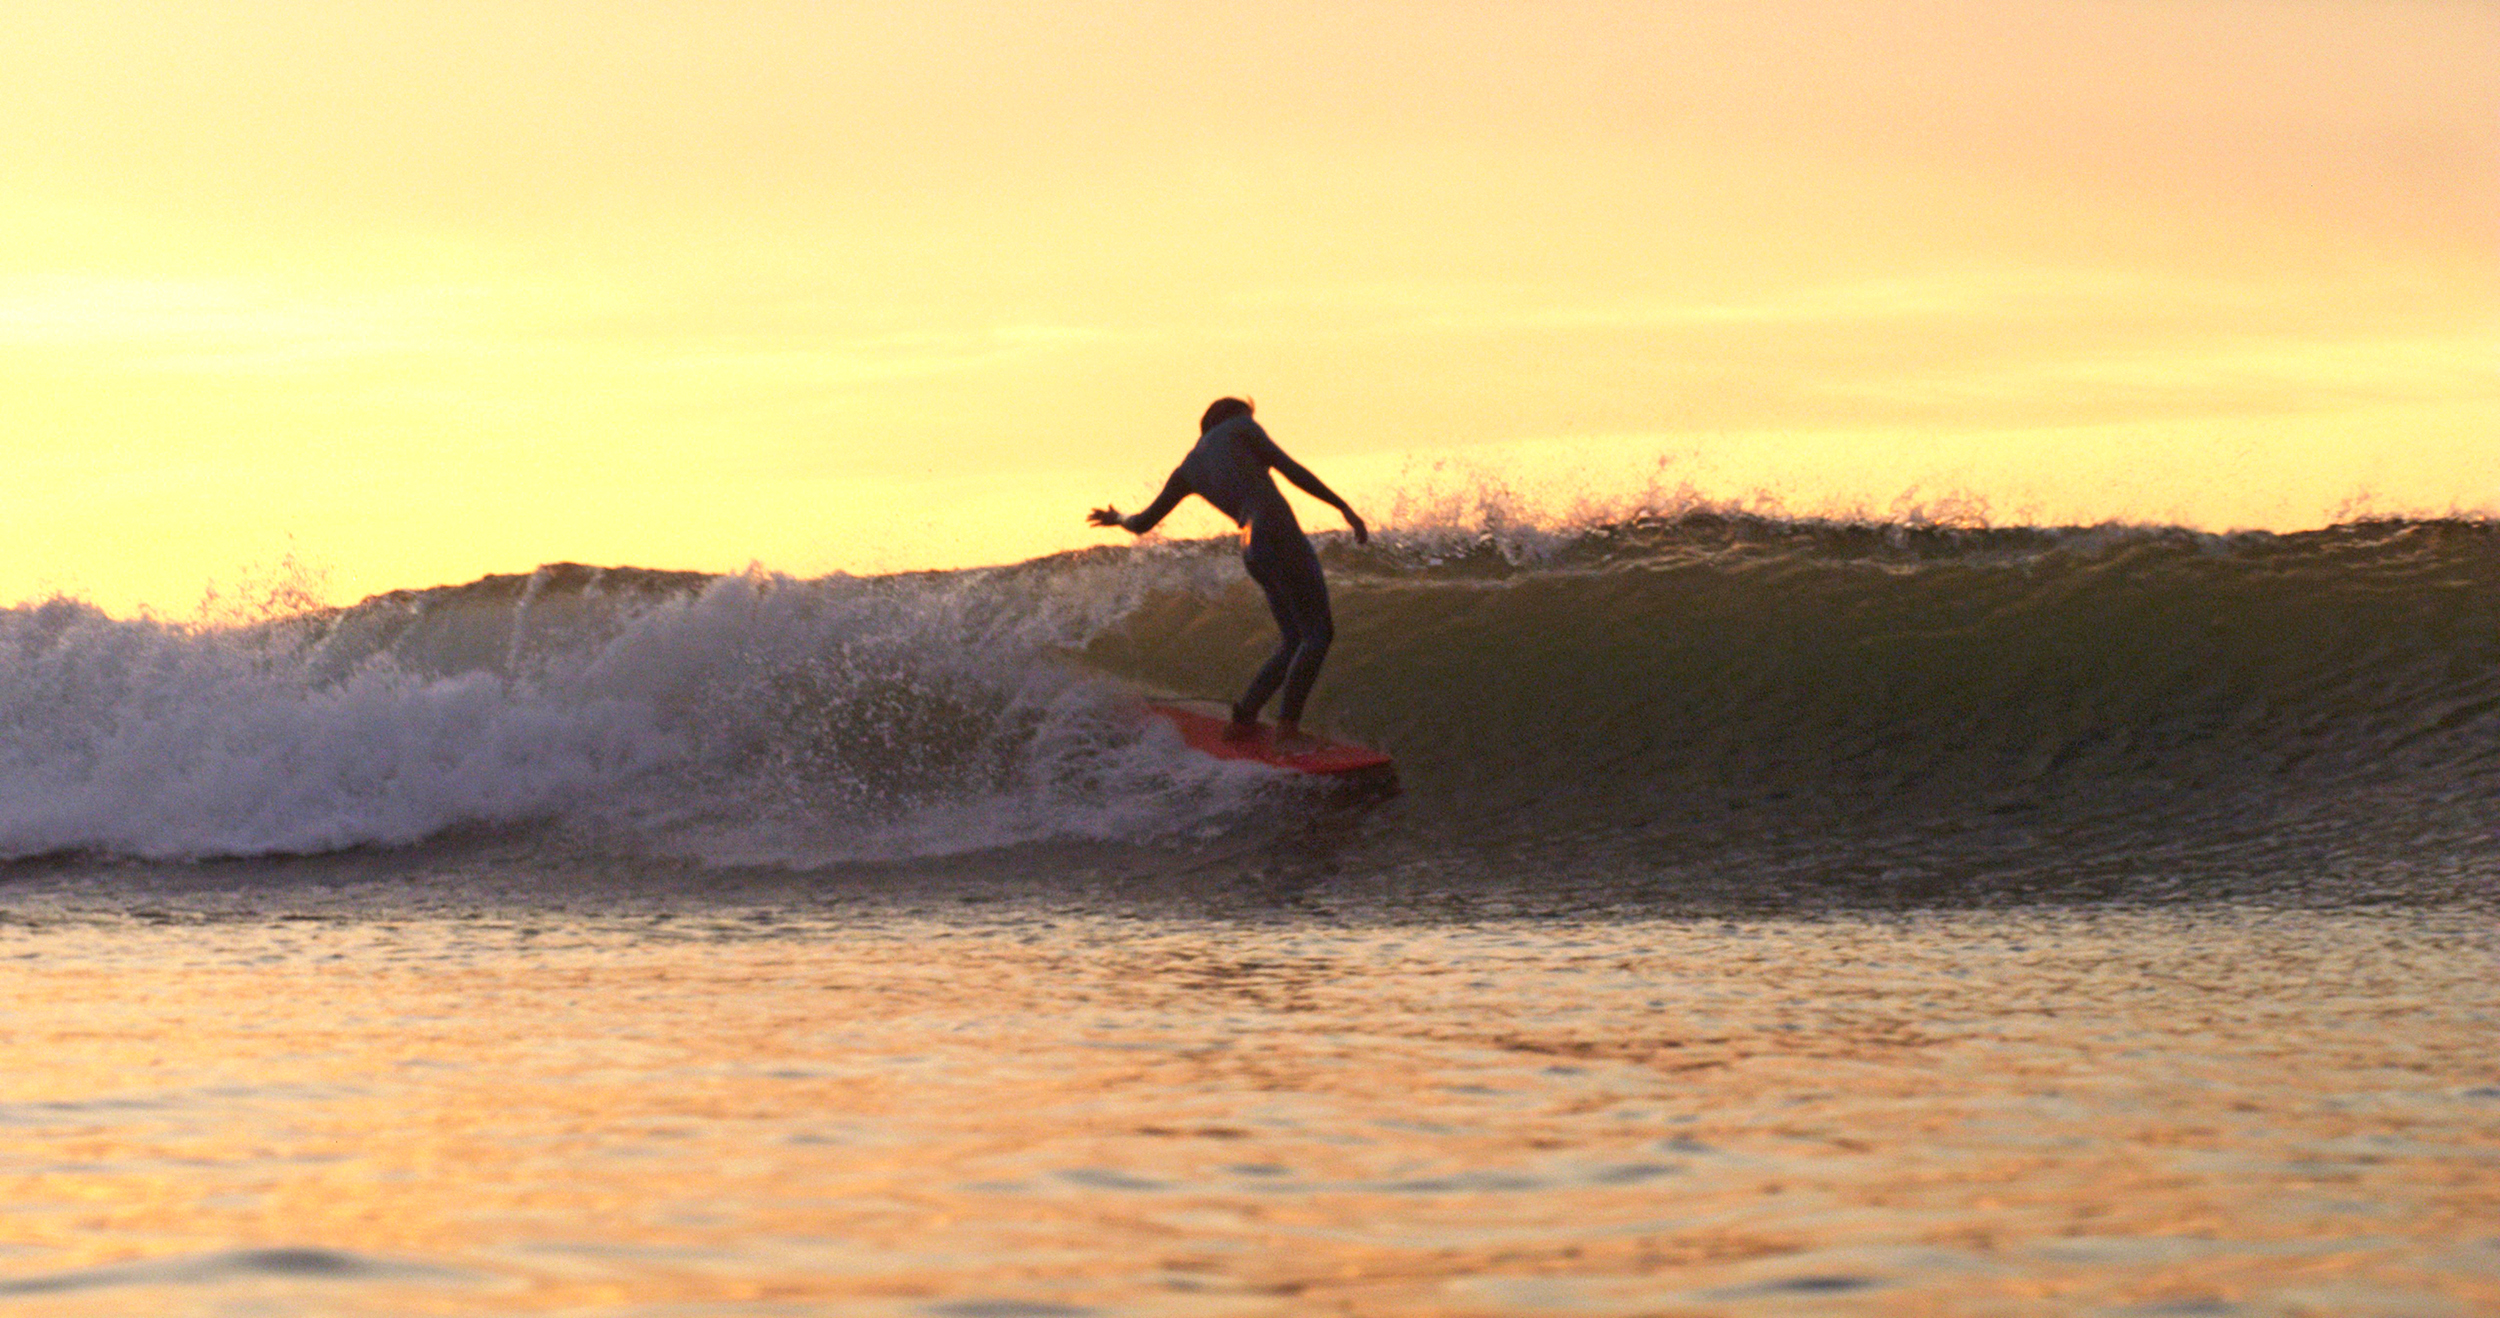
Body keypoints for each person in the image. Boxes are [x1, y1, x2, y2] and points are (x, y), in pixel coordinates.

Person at [1090, 398, 1368, 743]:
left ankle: (1243, 719)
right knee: (1317, 635)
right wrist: (1342, 506)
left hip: (1251, 548)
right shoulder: (1240, 426)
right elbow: (1289, 468)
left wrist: (1116, 518)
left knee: (1294, 639)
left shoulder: (1188, 467)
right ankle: (1287, 729)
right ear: (1233, 415)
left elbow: (1143, 523)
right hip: (1276, 529)